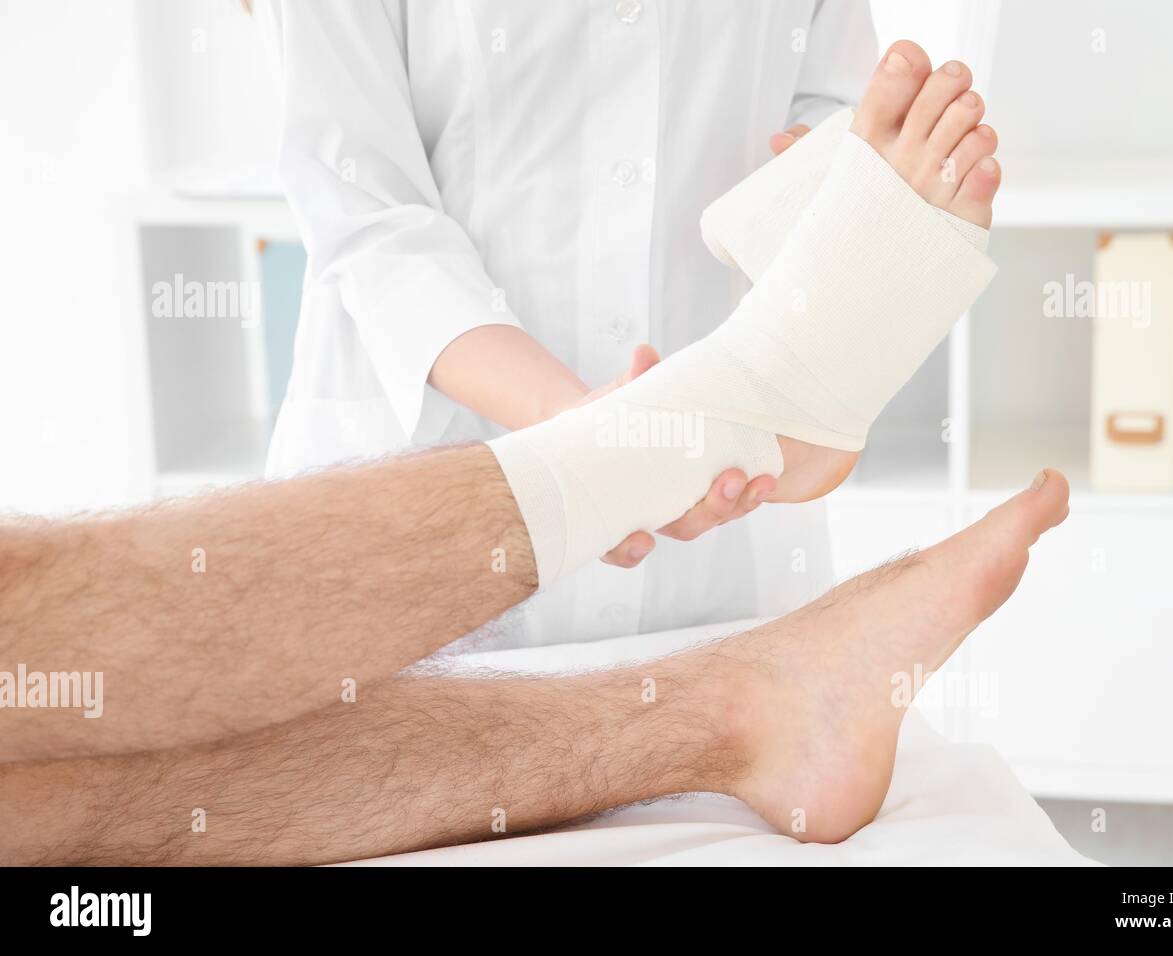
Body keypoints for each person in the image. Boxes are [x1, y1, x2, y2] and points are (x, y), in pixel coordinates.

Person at [1, 42, 1046, 866]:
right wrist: (606, 426)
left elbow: (826, 88)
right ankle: (735, 571)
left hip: (688, 405)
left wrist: (823, 167)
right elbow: (369, 209)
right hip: (436, 409)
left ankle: (733, 449)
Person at [256, 0, 883, 648]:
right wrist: (586, 439)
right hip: (435, 489)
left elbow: (833, 105)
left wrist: (821, 179)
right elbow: (368, 212)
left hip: (728, 506)